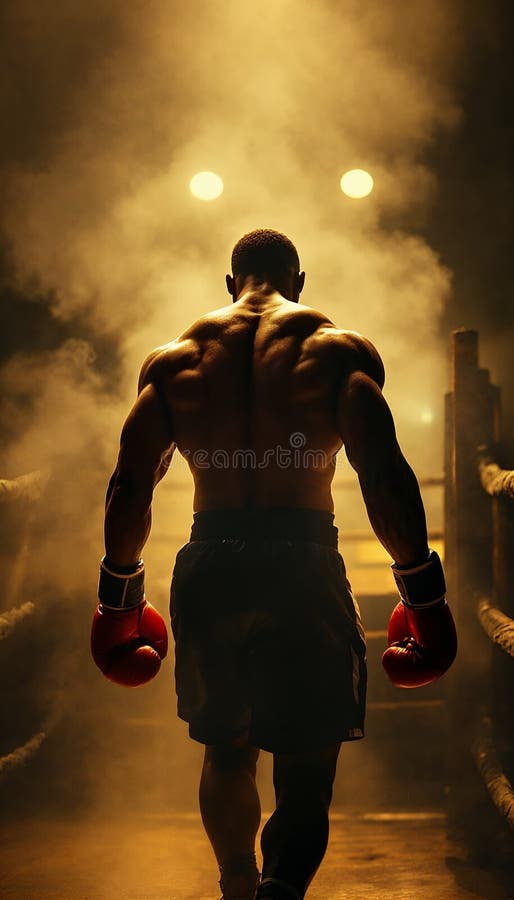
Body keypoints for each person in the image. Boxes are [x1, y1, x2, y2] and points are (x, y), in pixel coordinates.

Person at [91, 229, 457, 900]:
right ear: (299, 281)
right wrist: (424, 596)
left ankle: (236, 882)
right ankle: (280, 889)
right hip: (302, 563)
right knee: (307, 765)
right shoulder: (337, 351)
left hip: (211, 562)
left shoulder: (174, 361)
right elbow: (383, 476)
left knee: (226, 749)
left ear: (231, 283)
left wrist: (118, 601)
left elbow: (131, 484)